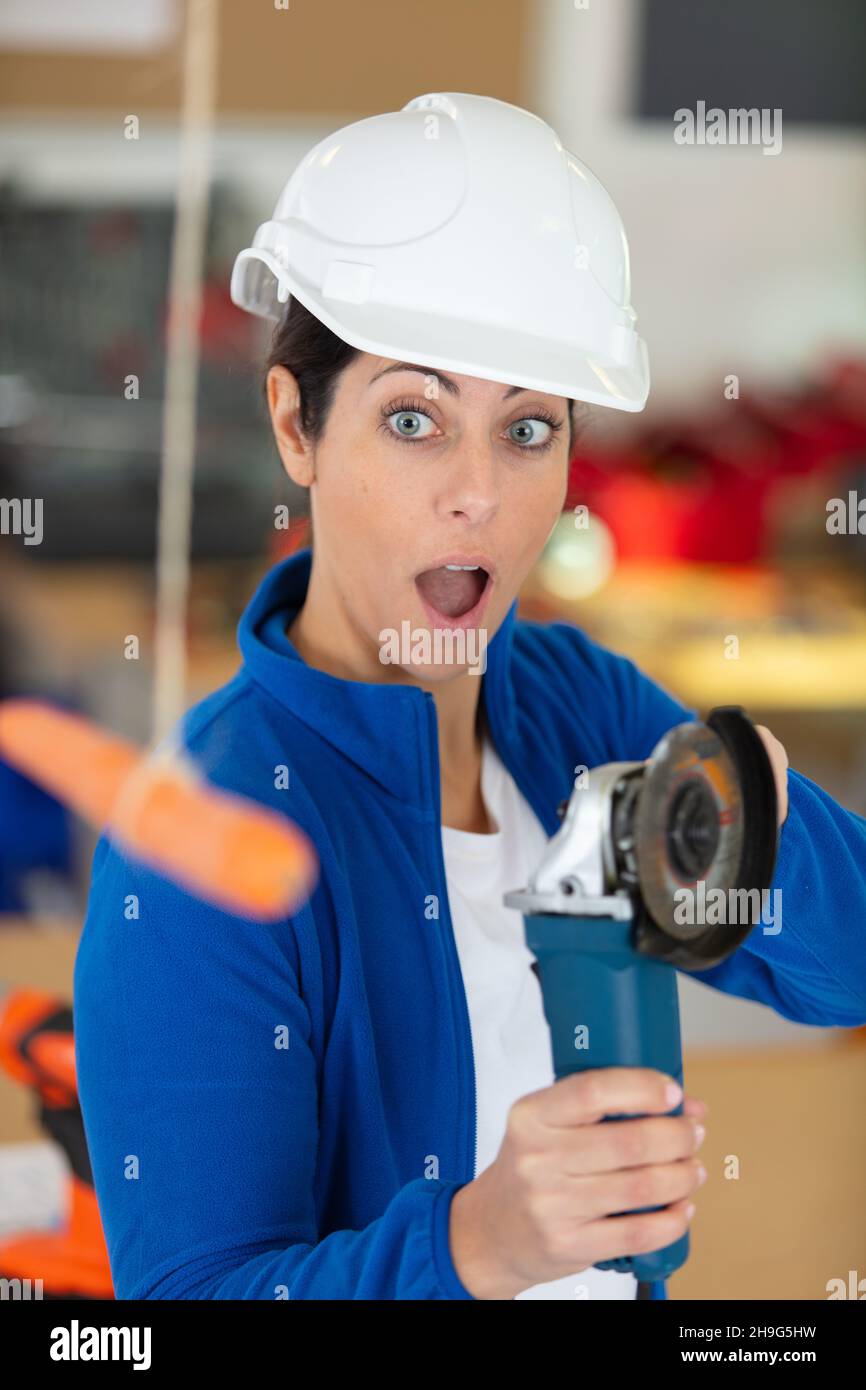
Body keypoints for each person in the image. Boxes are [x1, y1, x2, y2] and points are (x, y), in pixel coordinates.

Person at [73, 93, 866, 1301]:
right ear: (297, 423)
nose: (476, 495)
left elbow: (846, 967)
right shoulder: (204, 840)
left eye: (528, 429)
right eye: (412, 418)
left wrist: (761, 829)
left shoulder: (570, 708)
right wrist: (477, 1243)